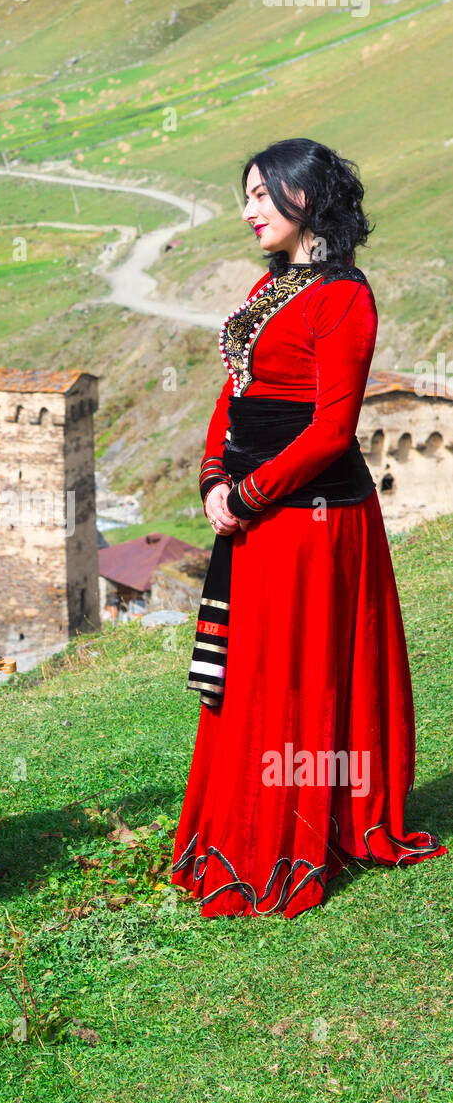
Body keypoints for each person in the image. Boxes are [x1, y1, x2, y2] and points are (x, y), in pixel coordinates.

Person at [173, 137, 446, 917]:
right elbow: (235, 395)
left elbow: (331, 430)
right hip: (256, 511)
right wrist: (211, 481)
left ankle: (298, 830)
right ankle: (243, 823)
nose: (247, 210)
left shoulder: (342, 298)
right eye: (246, 195)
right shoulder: (274, 287)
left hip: (313, 520)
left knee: (296, 674)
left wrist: (249, 492)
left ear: (304, 199)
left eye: (262, 194)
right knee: (251, 672)